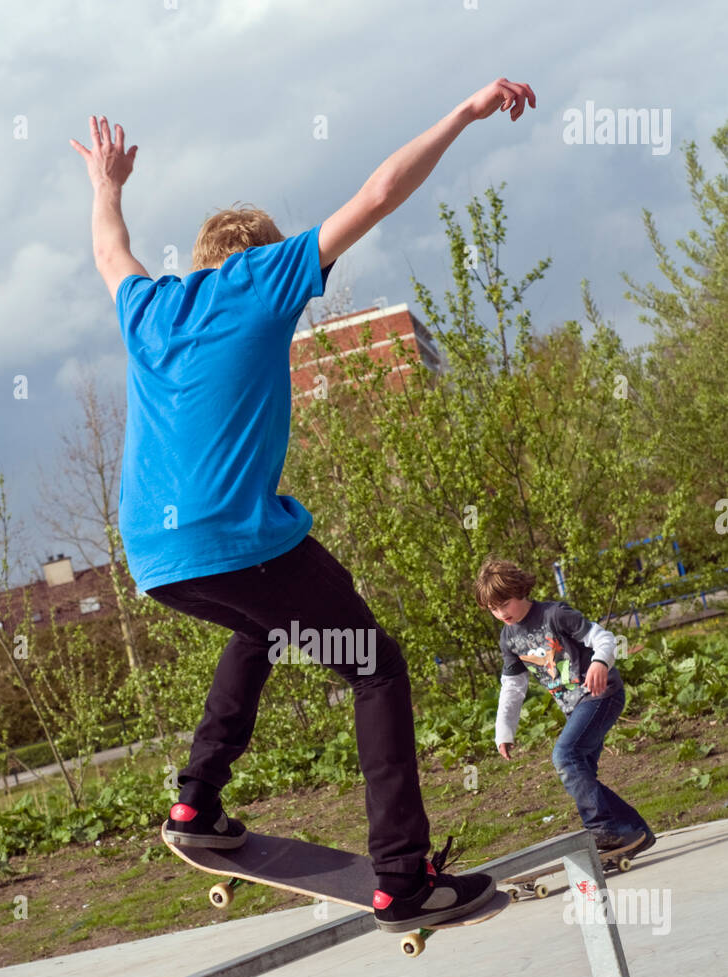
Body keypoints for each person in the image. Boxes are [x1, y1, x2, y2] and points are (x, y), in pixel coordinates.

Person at [70, 79, 536, 930]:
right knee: (375, 665)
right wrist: (465, 115)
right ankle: (403, 877)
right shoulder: (263, 278)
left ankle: (195, 805)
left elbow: (110, 252)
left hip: (154, 557)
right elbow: (378, 194)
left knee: (260, 627)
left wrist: (106, 184)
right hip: (239, 537)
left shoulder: (151, 306)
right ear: (262, 257)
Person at [475, 558, 655, 854]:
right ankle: (634, 833)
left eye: (504, 603)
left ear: (521, 591)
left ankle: (602, 830)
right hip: (574, 707)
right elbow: (513, 686)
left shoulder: (554, 614)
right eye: (493, 609)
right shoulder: (509, 639)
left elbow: (603, 638)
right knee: (581, 772)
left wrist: (599, 662)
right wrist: (503, 731)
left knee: (565, 755)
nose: (500, 613)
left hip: (601, 694)